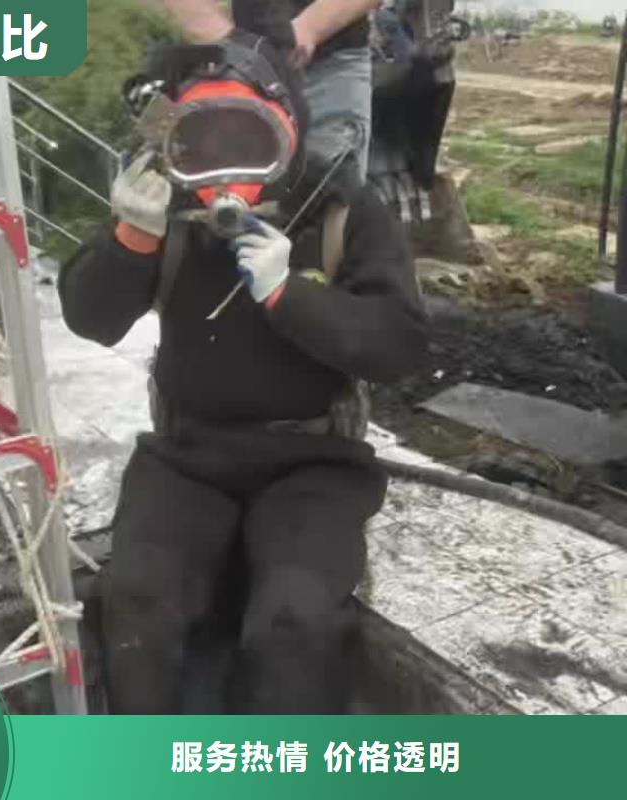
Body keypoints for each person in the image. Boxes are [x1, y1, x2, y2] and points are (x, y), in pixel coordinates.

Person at [58, 33, 427, 713]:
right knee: (137, 600)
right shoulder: (165, 205)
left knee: (295, 621)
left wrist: (293, 296)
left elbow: (401, 346)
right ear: (175, 142)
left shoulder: (340, 205)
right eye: (203, 143)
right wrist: (129, 240)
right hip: (187, 453)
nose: (224, 172)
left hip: (313, 461)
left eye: (248, 141)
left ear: (286, 129)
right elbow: (90, 319)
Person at [162, 0, 381, 187]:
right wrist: (226, 39)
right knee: (219, 206)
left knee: (329, 203)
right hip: (231, 74)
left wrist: (308, 28)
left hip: (326, 70)